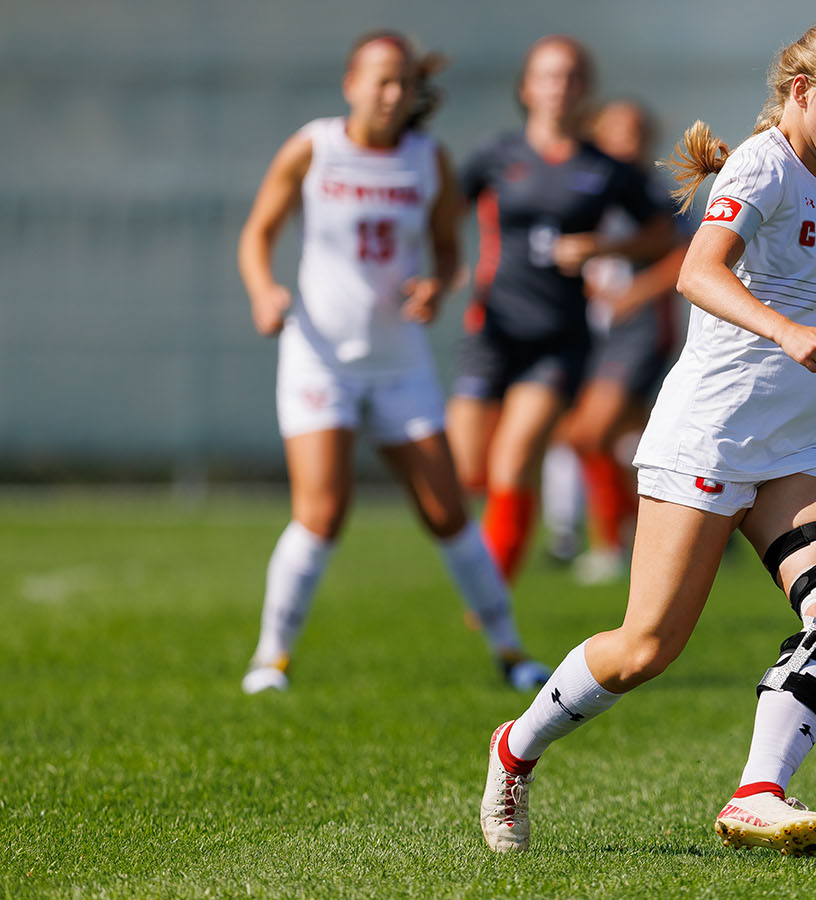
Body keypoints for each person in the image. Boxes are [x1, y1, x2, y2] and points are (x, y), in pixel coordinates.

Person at [478, 18, 816, 855]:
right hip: (708, 435)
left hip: (795, 442)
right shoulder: (761, 163)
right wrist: (785, 332)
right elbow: (695, 270)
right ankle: (513, 748)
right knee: (646, 648)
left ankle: (758, 792)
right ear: (800, 90)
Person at [236, 30, 550, 694]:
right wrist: (264, 290)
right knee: (322, 513)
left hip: (398, 363)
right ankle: (271, 659)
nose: (392, 93)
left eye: (403, 82)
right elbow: (258, 232)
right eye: (379, 80)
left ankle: (510, 651)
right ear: (350, 84)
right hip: (320, 360)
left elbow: (444, 250)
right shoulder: (313, 147)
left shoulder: (427, 160)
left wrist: (436, 287)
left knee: (447, 512)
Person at [448, 36, 675, 584]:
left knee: (517, 457)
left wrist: (601, 248)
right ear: (527, 88)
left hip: (560, 337)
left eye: (571, 76)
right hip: (492, 328)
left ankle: (491, 598)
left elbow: (663, 235)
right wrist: (439, 267)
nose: (559, 86)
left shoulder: (606, 170)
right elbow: (440, 214)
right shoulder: (494, 155)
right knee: (467, 469)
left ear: (585, 90)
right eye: (548, 75)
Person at [542, 98, 690, 584]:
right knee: (640, 440)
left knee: (590, 434)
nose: (629, 140)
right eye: (618, 130)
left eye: (637, 131)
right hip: (594, 331)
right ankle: (696, 522)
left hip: (641, 330)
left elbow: (689, 254)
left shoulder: (655, 196)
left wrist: (636, 293)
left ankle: (612, 543)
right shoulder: (587, 189)